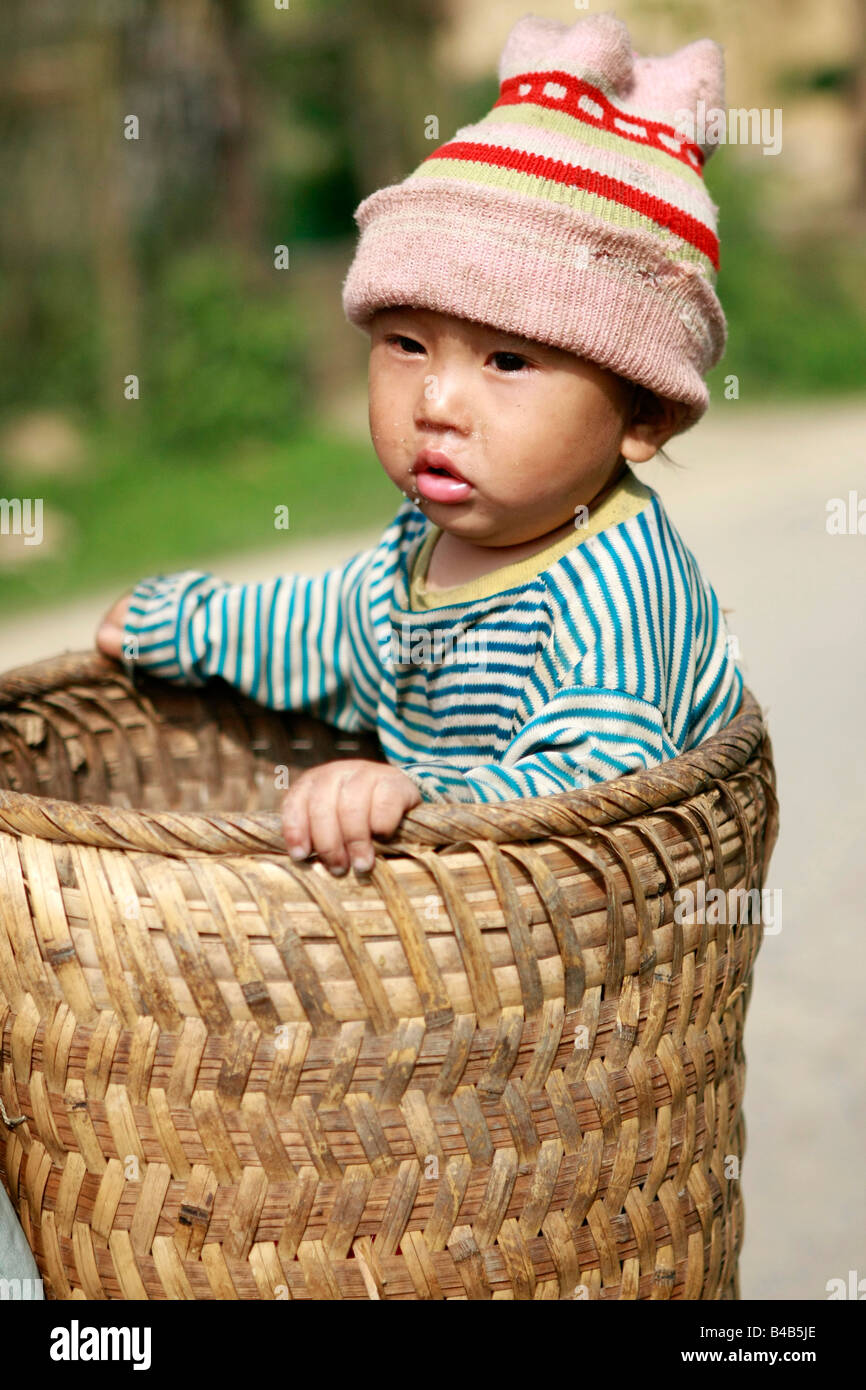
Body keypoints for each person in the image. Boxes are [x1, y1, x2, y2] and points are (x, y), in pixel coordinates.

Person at [96, 11, 742, 882]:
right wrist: (183, 624)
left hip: (603, 945)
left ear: (643, 418)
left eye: (509, 361)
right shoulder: (424, 540)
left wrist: (413, 790)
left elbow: (601, 784)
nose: (437, 402)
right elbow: (325, 627)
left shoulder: (617, 585)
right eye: (407, 346)